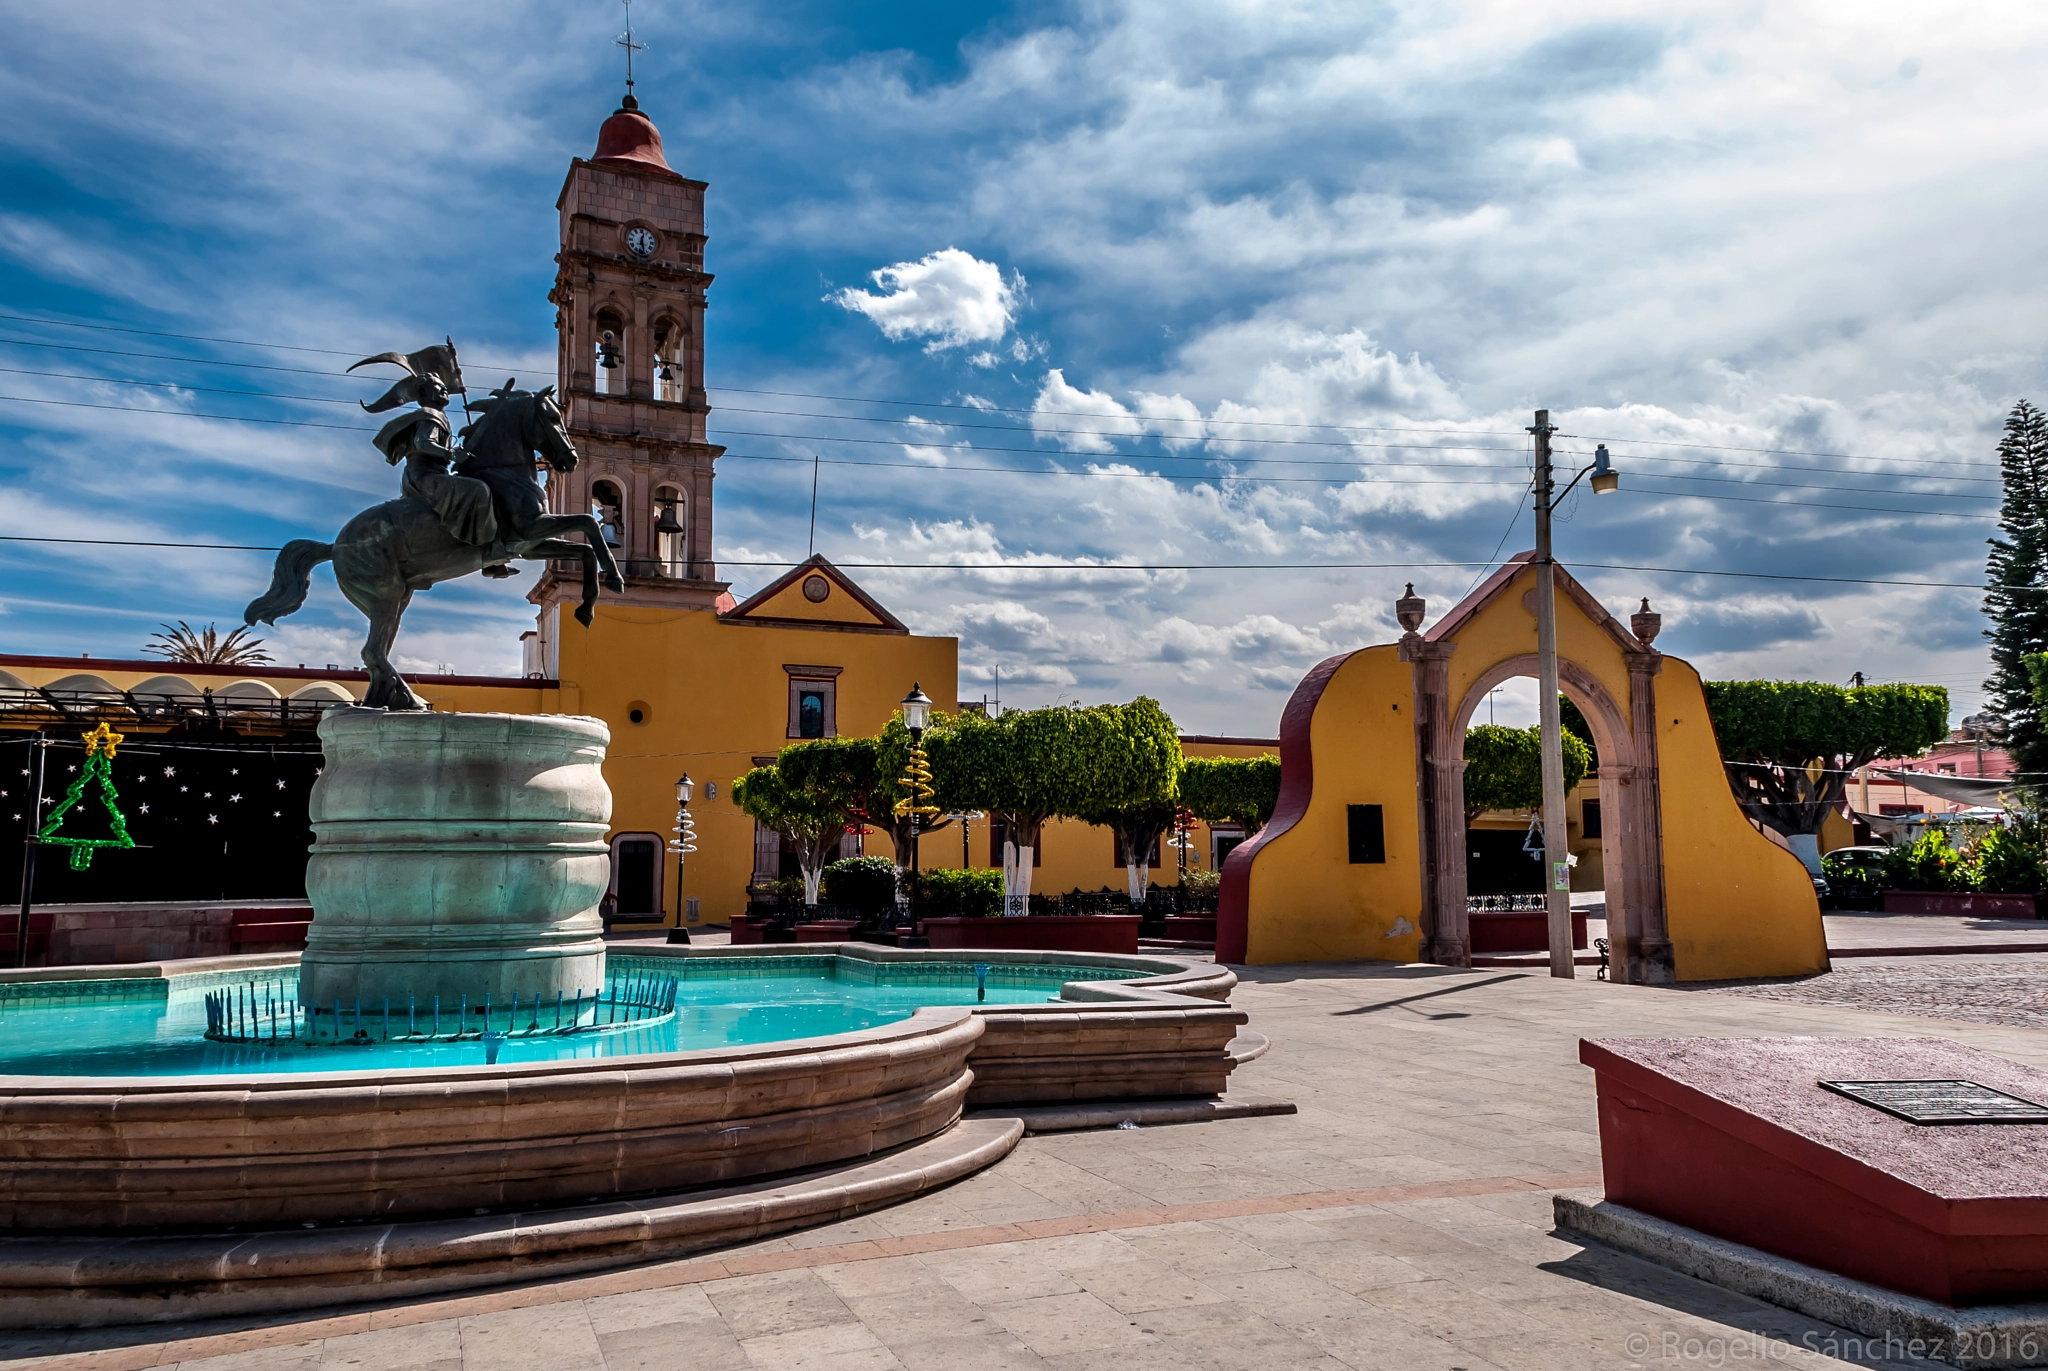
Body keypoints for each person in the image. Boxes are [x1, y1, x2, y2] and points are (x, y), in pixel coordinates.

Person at [350, 341, 517, 577]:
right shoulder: (430, 416)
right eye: (438, 387)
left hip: (432, 473)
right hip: (425, 476)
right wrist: (450, 454)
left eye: (443, 386)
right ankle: (491, 554)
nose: (444, 390)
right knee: (479, 490)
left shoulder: (440, 416)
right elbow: (422, 444)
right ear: (424, 394)